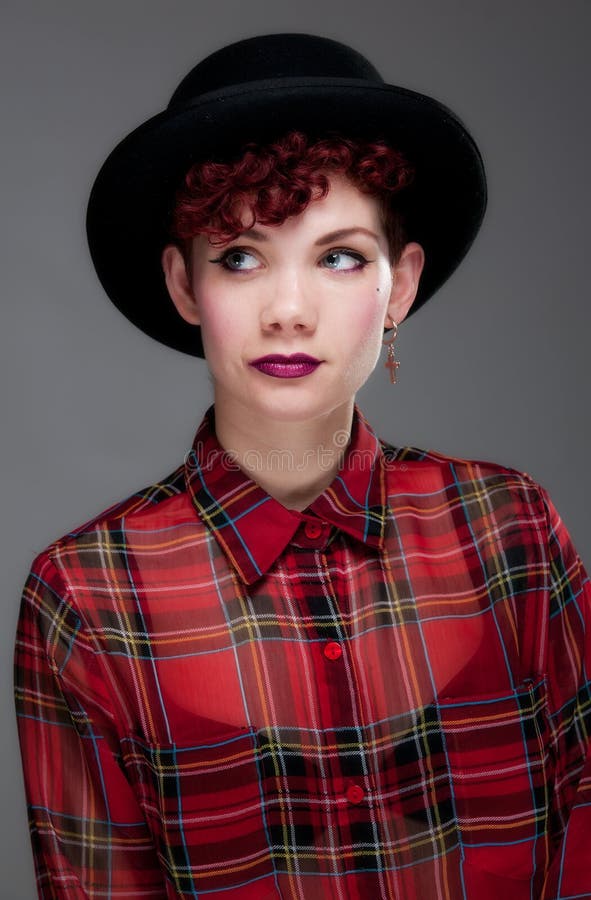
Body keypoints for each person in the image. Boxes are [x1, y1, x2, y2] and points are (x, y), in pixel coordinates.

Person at [14, 33, 591, 900]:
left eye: (338, 257)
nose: (288, 310)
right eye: (239, 257)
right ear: (183, 286)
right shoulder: (87, 595)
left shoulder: (510, 530)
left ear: (397, 287)